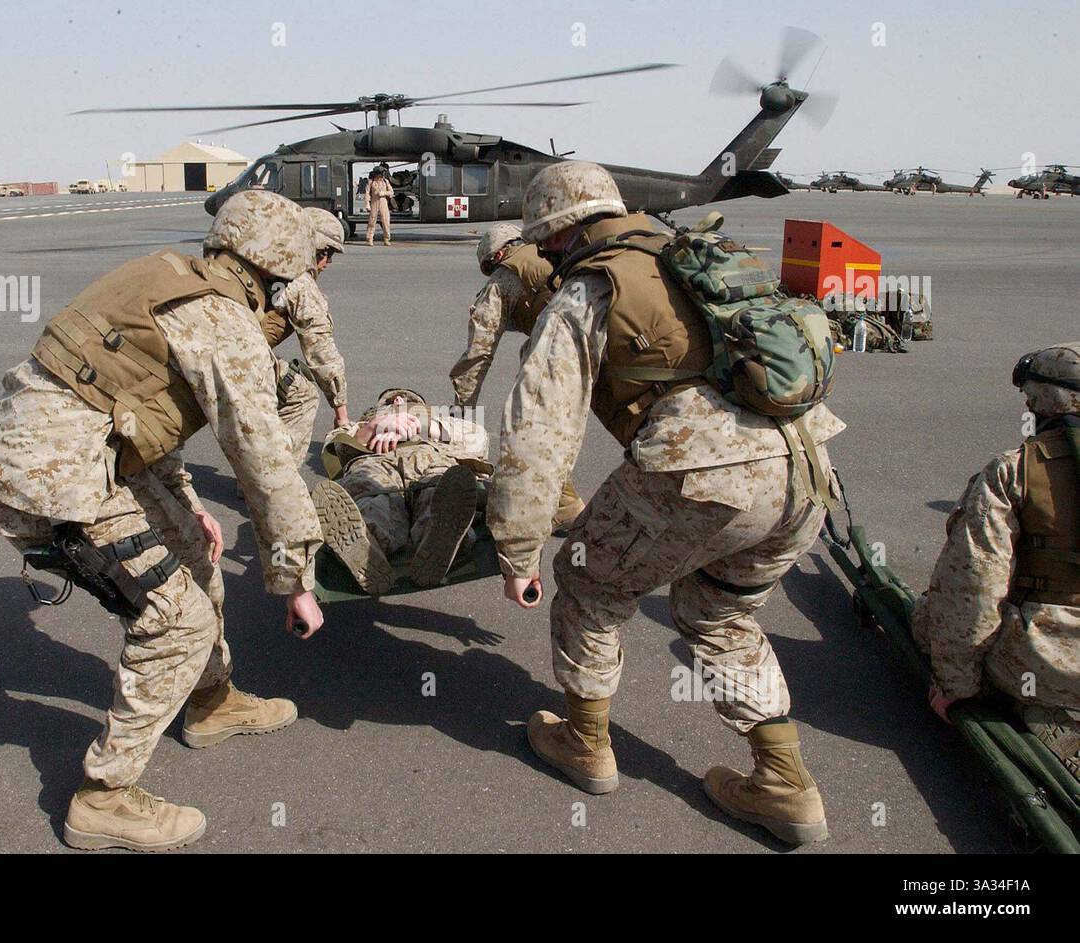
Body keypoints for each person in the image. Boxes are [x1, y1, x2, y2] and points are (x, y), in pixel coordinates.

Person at [487, 161, 845, 845]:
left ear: (560, 233)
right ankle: (784, 781)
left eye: (546, 243)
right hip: (805, 466)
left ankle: (585, 741)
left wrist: (518, 548)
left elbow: (537, 434)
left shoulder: (590, 290)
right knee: (719, 610)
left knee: (591, 581)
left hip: (704, 472)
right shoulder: (695, 259)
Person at [0, 189, 326, 852]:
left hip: (75, 450)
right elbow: (263, 454)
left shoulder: (171, 275)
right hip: (53, 481)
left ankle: (212, 701)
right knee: (176, 621)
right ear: (276, 272)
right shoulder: (222, 317)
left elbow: (140, 410)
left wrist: (186, 505)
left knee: (194, 553)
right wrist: (294, 574)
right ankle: (104, 796)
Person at [913, 343, 1080, 779]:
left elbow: (971, 589)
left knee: (929, 614)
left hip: (1049, 661)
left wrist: (955, 686)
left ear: (1042, 403)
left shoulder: (1015, 470)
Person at [449, 223, 585, 532]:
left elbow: (478, 353)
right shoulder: (551, 254)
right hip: (600, 342)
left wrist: (461, 410)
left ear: (497, 255)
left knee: (527, 427)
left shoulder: (503, 278)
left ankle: (566, 509)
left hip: (565, 352)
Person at [311, 390, 489, 594]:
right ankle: (365, 547)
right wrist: (374, 427)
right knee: (372, 496)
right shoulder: (362, 424)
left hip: (428, 452)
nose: (397, 400)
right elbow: (334, 448)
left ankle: (436, 539)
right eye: (390, 400)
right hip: (373, 458)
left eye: (406, 399)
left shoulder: (438, 419)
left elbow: (479, 438)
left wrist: (422, 426)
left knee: (438, 489)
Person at [225, 206, 352, 469]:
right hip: (234, 360)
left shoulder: (249, 256)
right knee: (301, 396)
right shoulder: (299, 282)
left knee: (280, 382)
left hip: (208, 348)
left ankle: (254, 471)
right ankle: (276, 481)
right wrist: (342, 414)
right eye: (325, 253)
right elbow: (321, 352)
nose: (326, 263)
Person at [365, 166, 393, 246]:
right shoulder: (371, 182)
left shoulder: (385, 181)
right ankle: (369, 239)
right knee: (372, 222)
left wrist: (384, 193)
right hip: (374, 202)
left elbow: (391, 192)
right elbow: (367, 193)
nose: (381, 175)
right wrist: (367, 204)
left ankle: (386, 239)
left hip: (383, 202)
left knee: (386, 222)